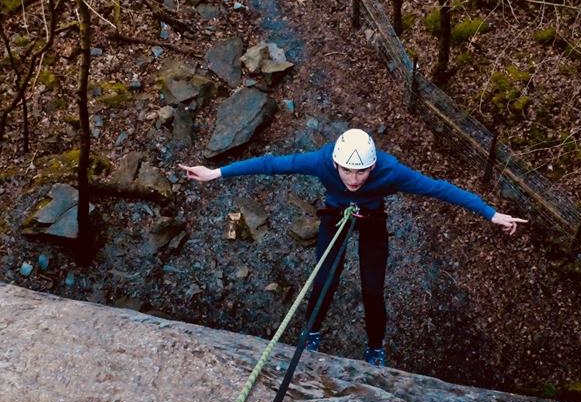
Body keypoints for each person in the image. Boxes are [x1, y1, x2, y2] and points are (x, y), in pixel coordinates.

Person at [179, 128, 527, 367]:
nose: (354, 179)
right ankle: (311, 331)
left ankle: (375, 348)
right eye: (347, 170)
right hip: (335, 216)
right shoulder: (320, 160)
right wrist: (216, 173)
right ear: (335, 164)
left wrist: (491, 213)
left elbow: (439, 188)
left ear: (373, 166)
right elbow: (271, 165)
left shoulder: (392, 172)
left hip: (372, 221)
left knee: (373, 291)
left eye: (361, 172)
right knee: (324, 279)